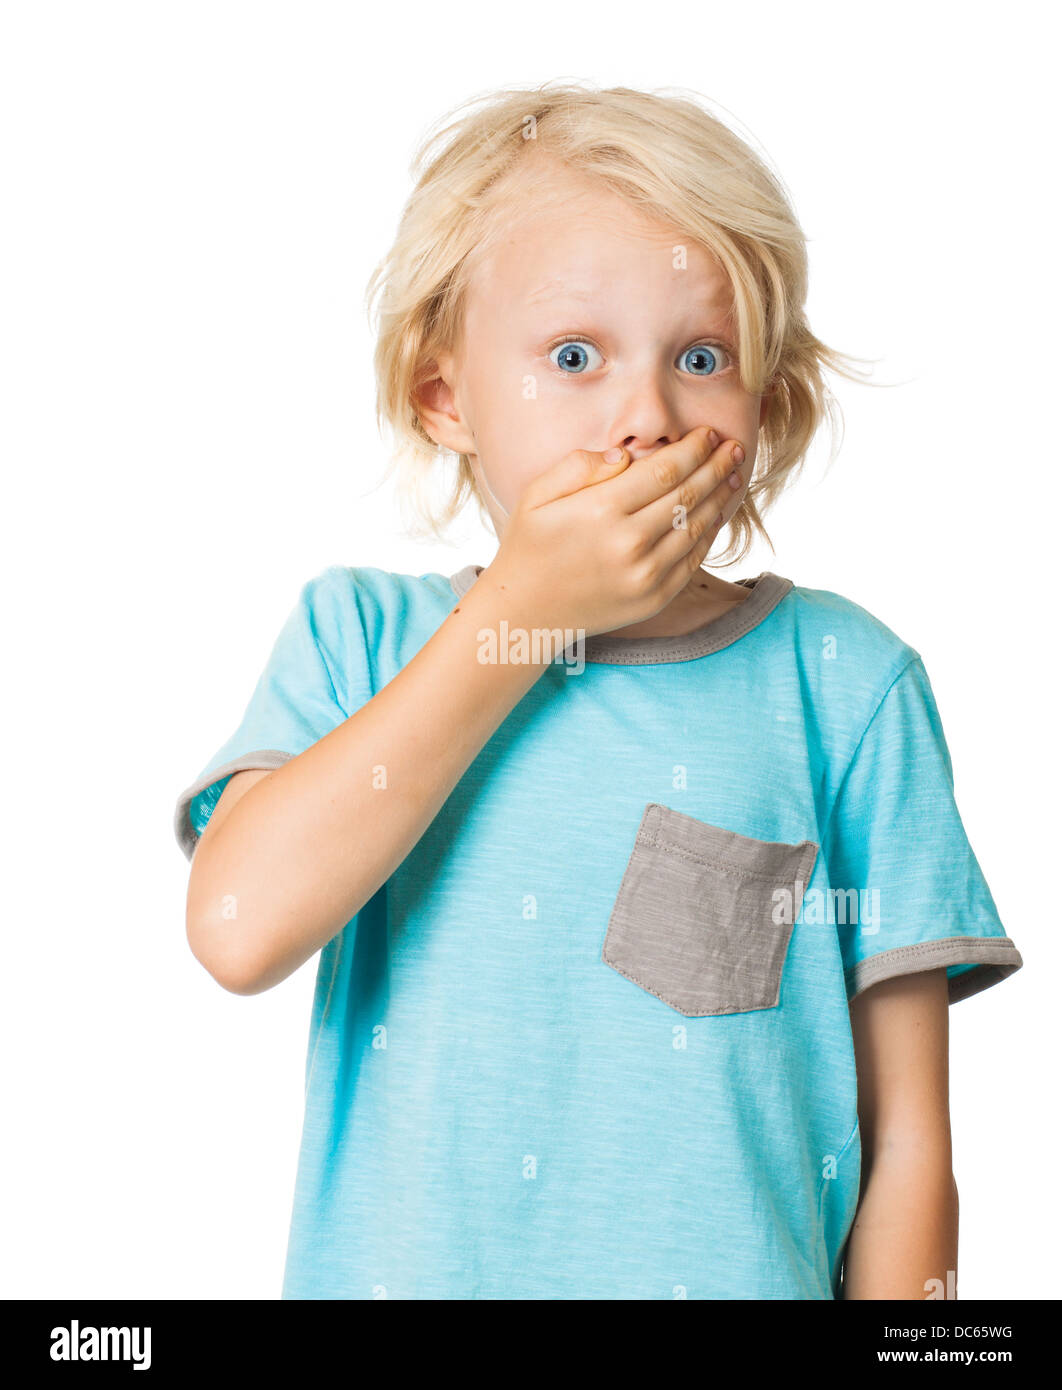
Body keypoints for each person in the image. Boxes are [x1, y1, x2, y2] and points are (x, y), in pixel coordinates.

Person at [172, 81, 1023, 1300]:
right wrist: (521, 616)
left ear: (765, 407)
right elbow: (238, 928)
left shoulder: (846, 683)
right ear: (444, 397)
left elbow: (910, 1148)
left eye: (702, 357)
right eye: (574, 356)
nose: (645, 415)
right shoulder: (360, 637)